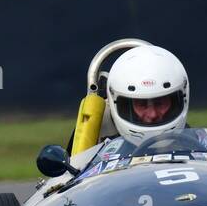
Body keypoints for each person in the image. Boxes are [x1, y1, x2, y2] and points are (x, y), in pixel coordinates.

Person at [68, 44, 191, 175]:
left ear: (179, 99)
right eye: (142, 105)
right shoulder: (97, 154)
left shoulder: (197, 144)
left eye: (160, 103)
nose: (152, 114)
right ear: (121, 104)